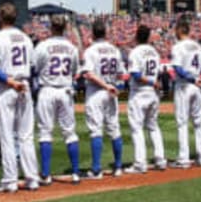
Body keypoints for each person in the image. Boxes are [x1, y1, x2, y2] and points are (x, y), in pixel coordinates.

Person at [0, 3, 39, 194]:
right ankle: (32, 179)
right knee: (26, 136)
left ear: (0, 17)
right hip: (25, 86)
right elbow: (32, 67)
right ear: (16, 17)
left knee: (7, 136)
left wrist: (9, 80)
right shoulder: (25, 38)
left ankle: (10, 180)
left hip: (6, 88)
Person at [32, 15, 82, 184]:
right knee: (69, 132)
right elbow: (75, 70)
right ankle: (75, 173)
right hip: (66, 90)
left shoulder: (42, 46)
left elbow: (35, 68)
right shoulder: (72, 47)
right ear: (65, 28)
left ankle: (45, 175)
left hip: (47, 90)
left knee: (45, 132)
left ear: (51, 28)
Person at [80, 19, 126, 178]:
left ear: (93, 33)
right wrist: (113, 85)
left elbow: (89, 74)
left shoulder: (91, 50)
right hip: (111, 91)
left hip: (96, 91)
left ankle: (96, 169)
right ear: (105, 33)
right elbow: (121, 74)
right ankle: (118, 167)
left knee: (96, 130)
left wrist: (106, 85)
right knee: (114, 129)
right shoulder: (114, 50)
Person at [125, 23, 167, 173]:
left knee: (137, 128)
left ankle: (140, 163)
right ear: (148, 36)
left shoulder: (135, 52)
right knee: (153, 126)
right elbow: (161, 72)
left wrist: (151, 81)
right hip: (153, 93)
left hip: (140, 93)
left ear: (137, 36)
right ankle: (160, 160)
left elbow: (135, 75)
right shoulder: (154, 52)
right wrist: (155, 82)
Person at [169, 16, 201, 168]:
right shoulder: (198, 46)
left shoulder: (178, 46)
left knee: (182, 122)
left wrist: (192, 79)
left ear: (179, 30)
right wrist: (198, 79)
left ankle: (184, 158)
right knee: (198, 122)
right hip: (197, 85)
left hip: (185, 85)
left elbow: (178, 68)